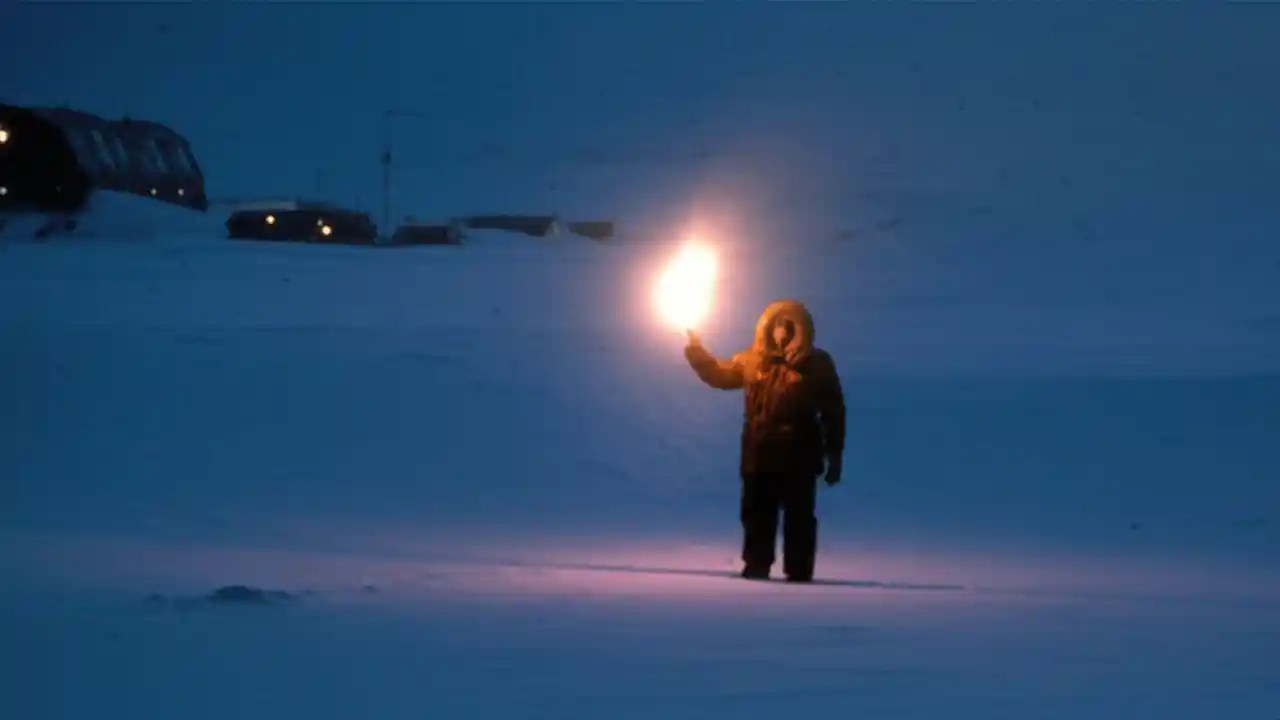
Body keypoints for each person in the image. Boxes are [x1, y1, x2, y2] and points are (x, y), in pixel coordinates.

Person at [684, 299, 845, 582]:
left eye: (788, 326)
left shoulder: (817, 364)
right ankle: (756, 566)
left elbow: (834, 412)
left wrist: (834, 456)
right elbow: (720, 375)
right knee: (757, 515)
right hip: (759, 456)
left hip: (800, 457)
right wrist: (697, 352)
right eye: (777, 326)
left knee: (800, 519)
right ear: (766, 329)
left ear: (801, 330)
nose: (781, 332)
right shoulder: (751, 361)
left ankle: (799, 572)